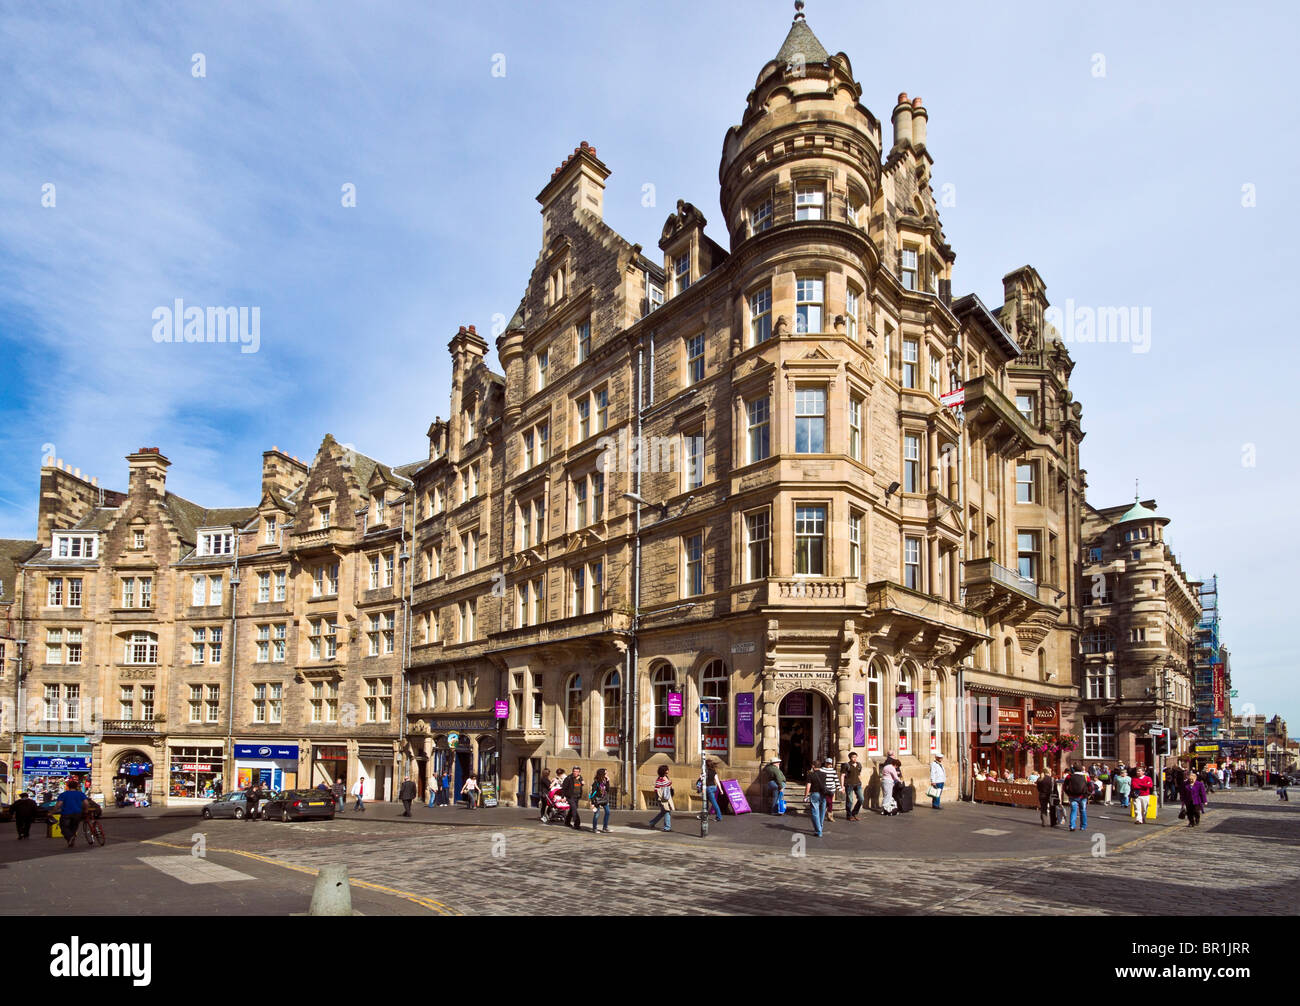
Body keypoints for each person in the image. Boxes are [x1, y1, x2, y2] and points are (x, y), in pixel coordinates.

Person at [55, 780, 88, 849]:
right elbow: (86, 803)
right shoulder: (80, 794)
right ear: (76, 787)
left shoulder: (63, 794)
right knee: (73, 828)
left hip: (66, 813)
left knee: (64, 828)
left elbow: (59, 804)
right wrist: (85, 810)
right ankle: (71, 842)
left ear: (68, 786)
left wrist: (52, 811)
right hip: (77, 813)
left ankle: (70, 837)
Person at [805, 760, 830, 837]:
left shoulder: (810, 775)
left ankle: (818, 831)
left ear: (813, 766)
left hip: (814, 794)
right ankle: (820, 828)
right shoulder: (824, 774)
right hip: (823, 794)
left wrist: (806, 796)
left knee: (815, 813)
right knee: (822, 812)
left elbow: (808, 786)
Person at [1064, 763, 1090, 832]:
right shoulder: (1085, 776)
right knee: (1083, 811)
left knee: (1073, 811)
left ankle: (1072, 826)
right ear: (1081, 769)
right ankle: (1083, 826)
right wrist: (1088, 794)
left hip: (1072, 796)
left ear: (1073, 769)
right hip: (1083, 796)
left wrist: (1068, 794)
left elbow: (1064, 787)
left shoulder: (1069, 776)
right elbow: (1091, 786)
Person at [649, 765, 674, 832]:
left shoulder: (665, 777)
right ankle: (667, 827)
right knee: (667, 811)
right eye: (667, 770)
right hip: (663, 798)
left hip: (666, 797)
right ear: (664, 771)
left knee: (663, 812)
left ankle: (652, 822)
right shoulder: (660, 779)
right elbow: (659, 788)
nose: (668, 771)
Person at [841, 753, 864, 821]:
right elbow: (842, 776)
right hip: (849, 784)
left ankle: (854, 813)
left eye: (855, 757)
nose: (855, 758)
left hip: (857, 784)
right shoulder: (846, 765)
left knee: (861, 799)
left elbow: (859, 774)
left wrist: (861, 782)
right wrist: (842, 786)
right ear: (850, 758)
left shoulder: (859, 765)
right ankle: (849, 815)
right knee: (850, 800)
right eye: (853, 757)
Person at [589, 767, 611, 834]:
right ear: (602, 774)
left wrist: (607, 781)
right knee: (597, 814)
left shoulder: (605, 781)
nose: (607, 774)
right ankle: (594, 828)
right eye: (605, 773)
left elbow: (608, 790)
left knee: (608, 812)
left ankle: (605, 827)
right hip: (597, 800)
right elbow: (593, 793)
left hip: (604, 799)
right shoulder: (596, 783)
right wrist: (592, 802)